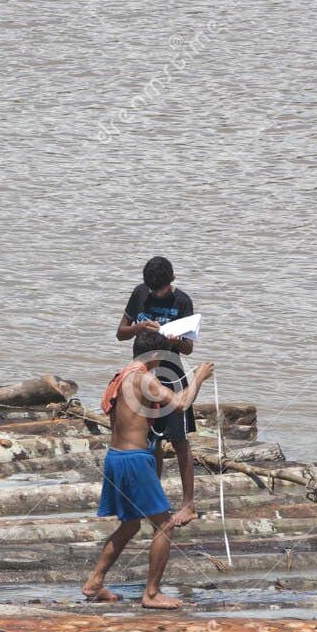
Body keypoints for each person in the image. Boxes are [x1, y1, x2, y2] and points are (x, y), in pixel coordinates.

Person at [81, 352, 214, 610]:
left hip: (115, 456)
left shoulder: (123, 375)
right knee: (164, 524)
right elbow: (181, 403)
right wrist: (199, 376)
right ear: (154, 354)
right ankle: (151, 594)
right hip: (134, 460)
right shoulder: (143, 378)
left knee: (130, 526)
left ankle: (94, 583)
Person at [116, 255, 199, 527]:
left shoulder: (182, 302)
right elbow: (121, 333)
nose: (153, 292)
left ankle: (189, 505)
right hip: (141, 374)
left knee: (179, 440)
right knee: (152, 441)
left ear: (170, 282)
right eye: (151, 288)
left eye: (159, 289)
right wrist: (139, 327)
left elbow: (189, 348)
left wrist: (176, 341)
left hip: (170, 374)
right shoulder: (140, 293)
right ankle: (155, 500)